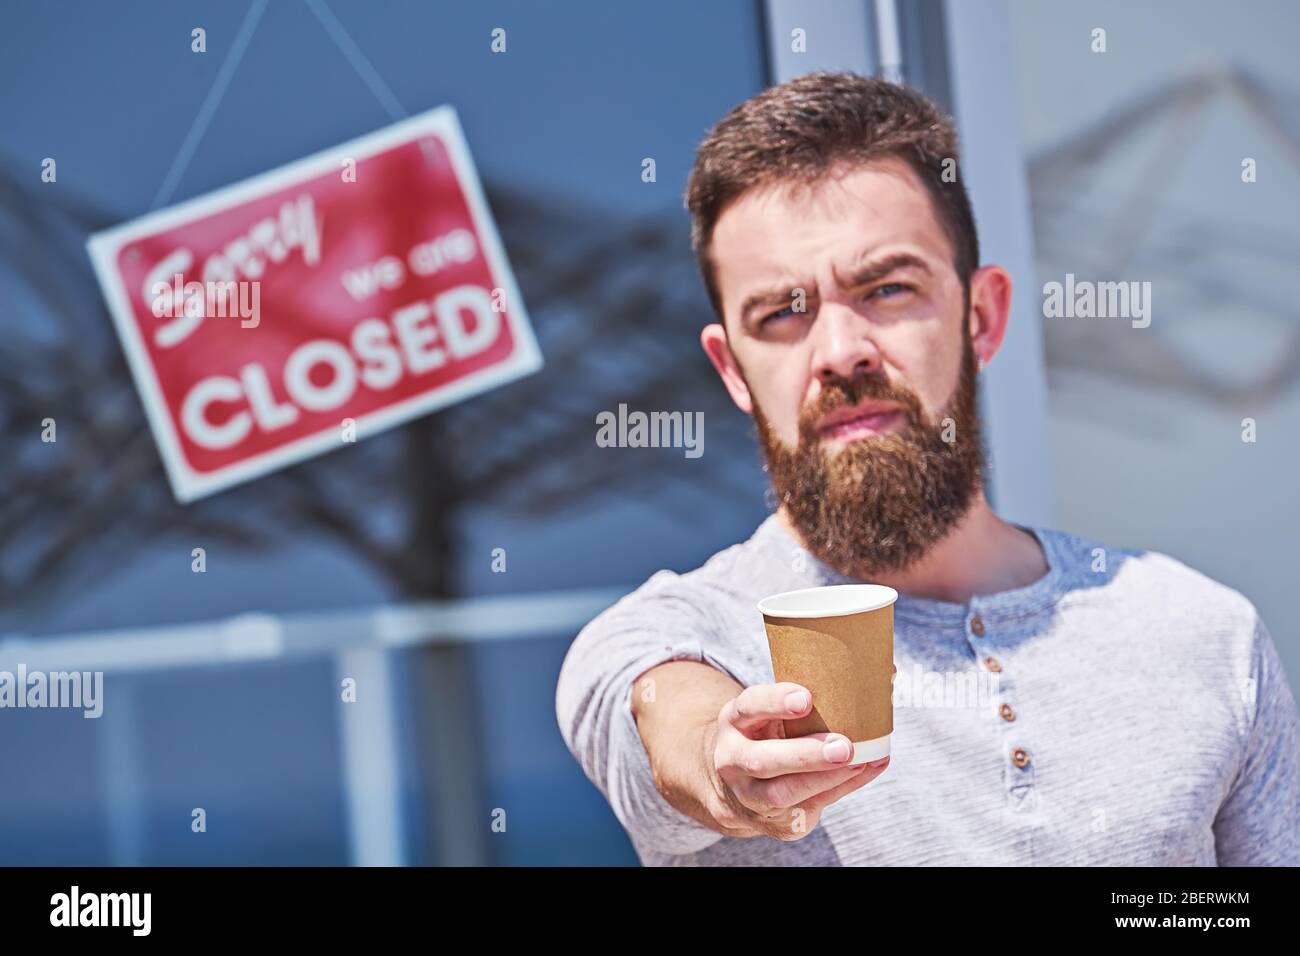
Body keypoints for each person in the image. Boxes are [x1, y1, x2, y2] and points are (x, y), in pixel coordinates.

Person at [555, 72, 1300, 866]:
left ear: (981, 316)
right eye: (783, 312)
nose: (842, 352)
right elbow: (655, 709)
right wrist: (723, 758)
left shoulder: (1203, 633)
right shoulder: (688, 633)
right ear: (732, 370)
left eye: (886, 289)